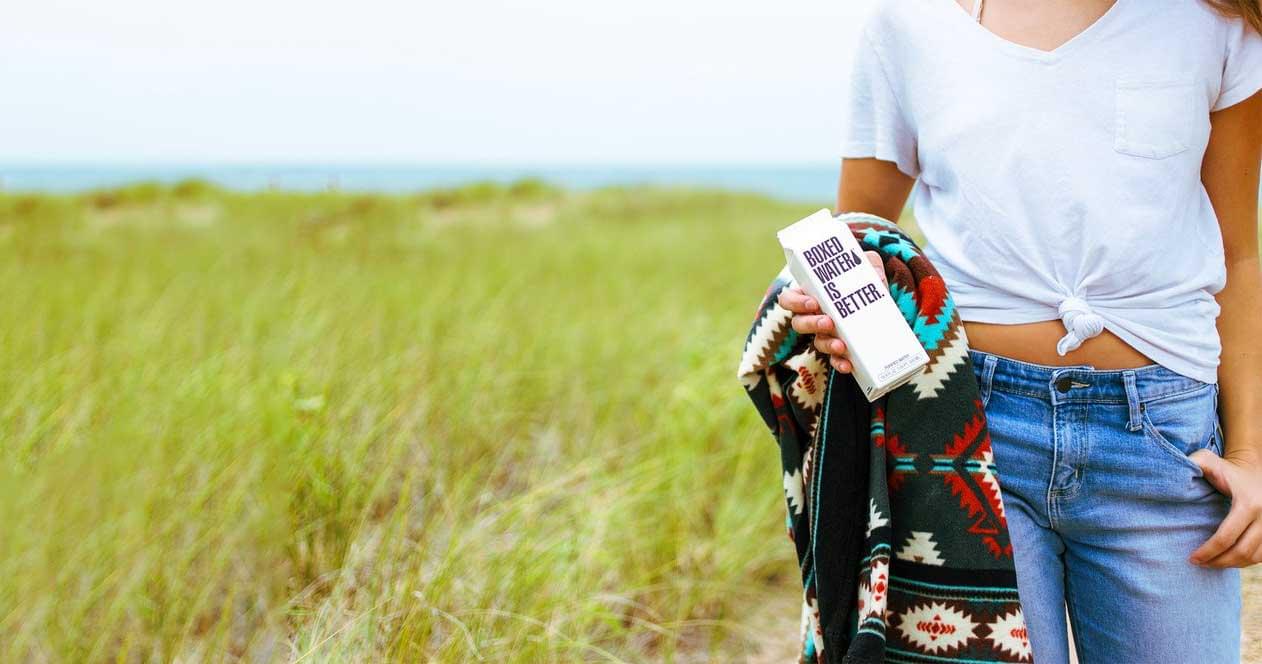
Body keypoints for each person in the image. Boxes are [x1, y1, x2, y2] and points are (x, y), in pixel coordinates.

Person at [775, 0, 1262, 661]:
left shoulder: (1216, 21)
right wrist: (840, 310)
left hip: (1163, 442)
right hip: (968, 432)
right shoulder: (908, 25)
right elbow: (864, 240)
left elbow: (1238, 255)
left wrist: (1252, 456)